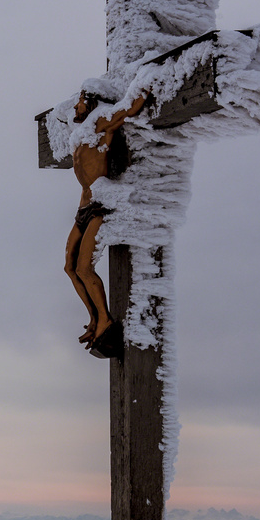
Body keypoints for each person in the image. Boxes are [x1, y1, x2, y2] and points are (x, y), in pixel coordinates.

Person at [64, 90, 147, 349]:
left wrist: (147, 84)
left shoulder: (101, 123)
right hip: (83, 209)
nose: (75, 107)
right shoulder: (80, 134)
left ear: (89, 104)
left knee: (84, 268)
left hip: (100, 205)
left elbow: (130, 109)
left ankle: (105, 322)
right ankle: (93, 317)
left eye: (79, 102)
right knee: (70, 267)